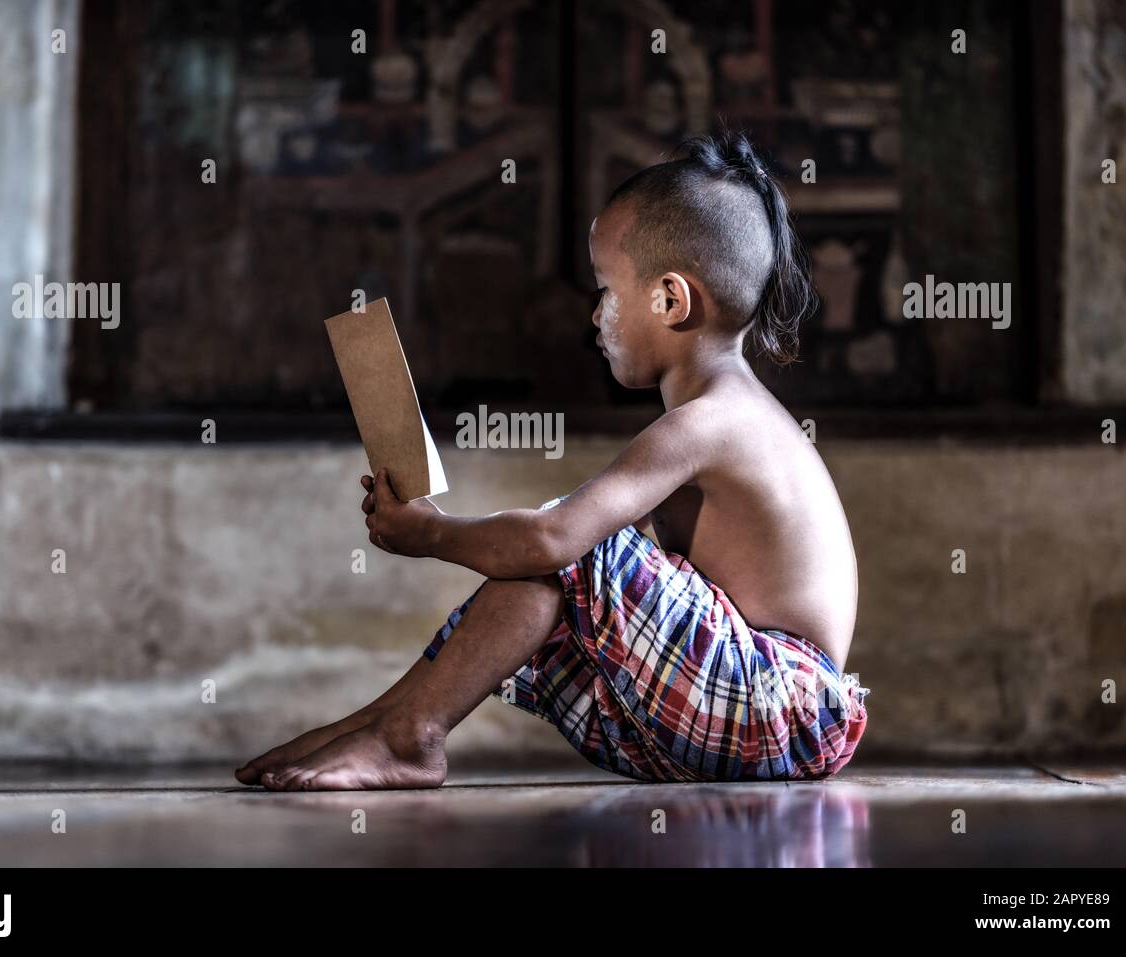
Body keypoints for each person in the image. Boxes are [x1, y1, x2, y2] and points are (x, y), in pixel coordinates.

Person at [237, 128, 870, 790]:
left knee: (569, 546)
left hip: (781, 708)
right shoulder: (717, 415)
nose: (594, 316)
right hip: (743, 714)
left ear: (671, 300)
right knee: (550, 579)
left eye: (606, 290)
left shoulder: (709, 422)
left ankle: (409, 735)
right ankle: (384, 726)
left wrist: (430, 533)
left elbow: (555, 539)